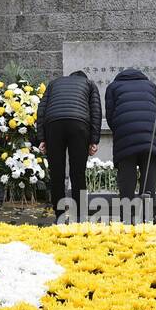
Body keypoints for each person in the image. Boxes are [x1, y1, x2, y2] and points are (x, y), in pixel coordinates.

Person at [37, 70, 101, 221]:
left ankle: (59, 215)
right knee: (78, 172)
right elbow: (96, 112)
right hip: (79, 124)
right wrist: (94, 140)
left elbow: (41, 110)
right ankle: (80, 215)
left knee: (56, 173)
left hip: (54, 124)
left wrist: (42, 138)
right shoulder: (90, 84)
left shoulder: (54, 83)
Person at [104, 67, 156, 202]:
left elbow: (110, 115)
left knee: (127, 181)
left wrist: (120, 130)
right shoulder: (151, 86)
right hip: (151, 138)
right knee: (149, 180)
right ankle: (148, 218)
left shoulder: (113, 87)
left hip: (125, 138)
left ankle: (126, 217)